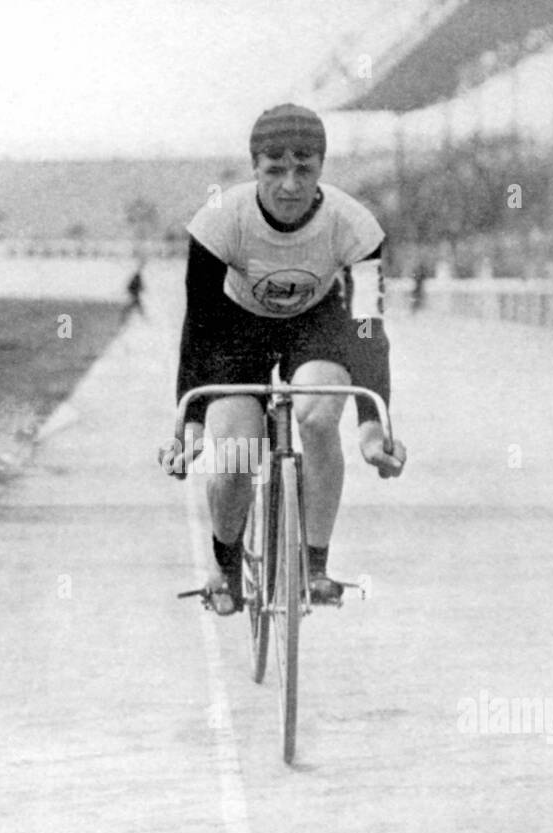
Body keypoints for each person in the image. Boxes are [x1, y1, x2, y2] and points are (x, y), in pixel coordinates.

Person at [159, 104, 406, 615]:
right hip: (236, 328)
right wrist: (191, 424)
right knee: (238, 453)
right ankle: (227, 564)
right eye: (274, 170)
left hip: (315, 325)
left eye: (304, 169)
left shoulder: (355, 224)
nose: (290, 186)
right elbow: (199, 325)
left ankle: (314, 565)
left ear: (321, 168)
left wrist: (371, 426)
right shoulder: (219, 220)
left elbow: (367, 327)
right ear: (254, 168)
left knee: (317, 416)